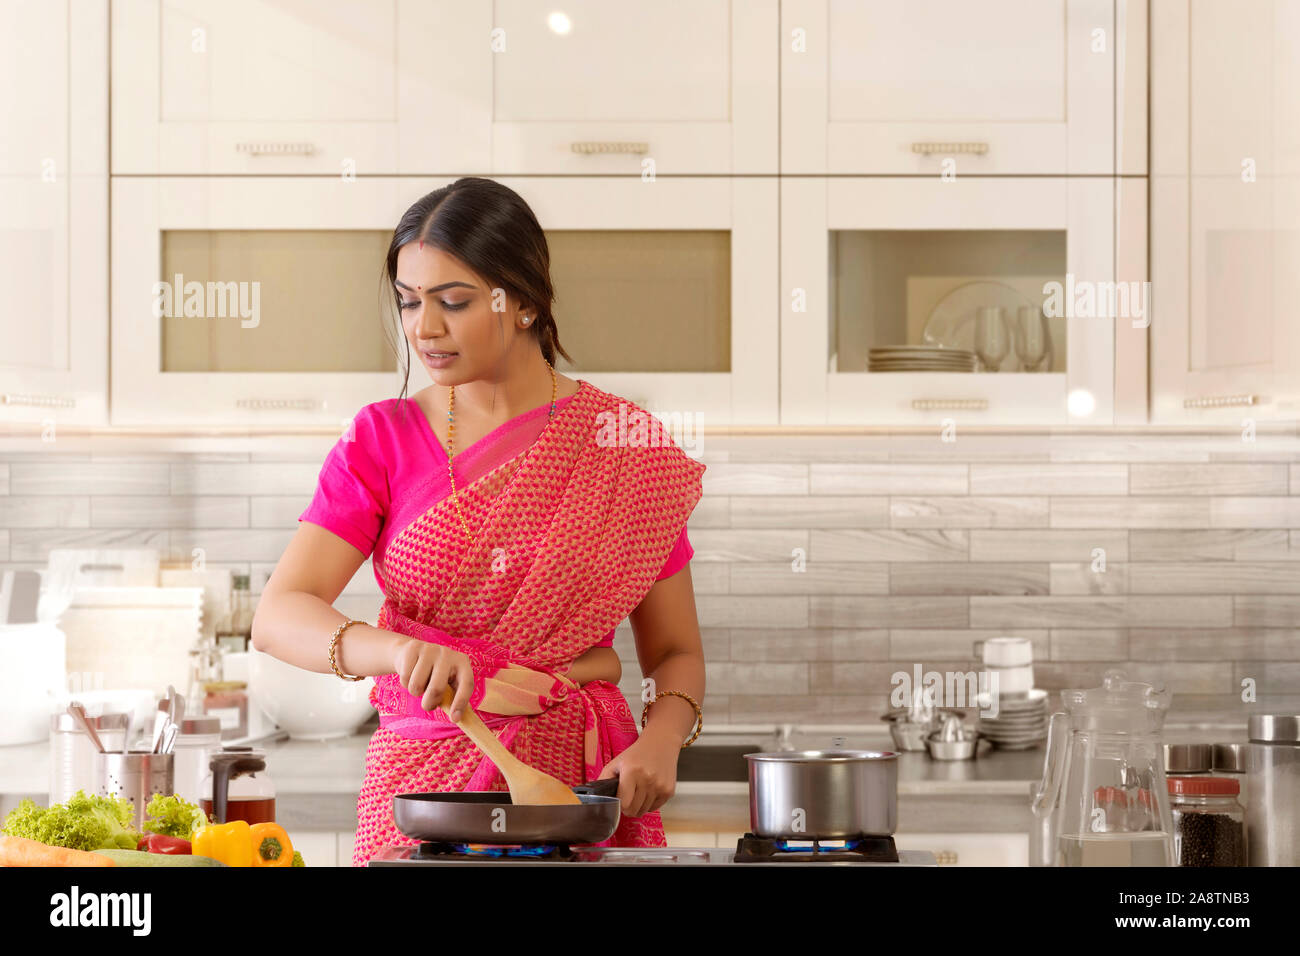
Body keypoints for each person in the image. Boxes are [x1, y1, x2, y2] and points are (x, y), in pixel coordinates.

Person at [250, 177, 707, 866]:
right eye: (408, 303)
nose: (423, 329)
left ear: (522, 301)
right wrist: (395, 652)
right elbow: (280, 614)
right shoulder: (382, 439)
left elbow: (675, 650)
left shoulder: (620, 443)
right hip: (421, 800)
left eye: (452, 303)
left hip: (573, 799)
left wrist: (663, 738)